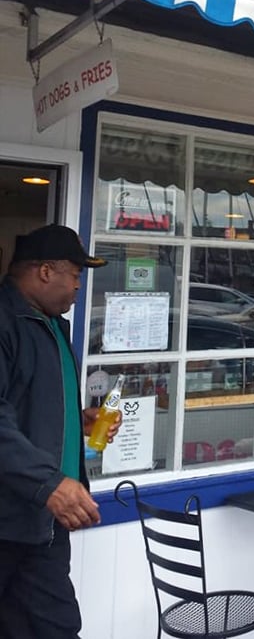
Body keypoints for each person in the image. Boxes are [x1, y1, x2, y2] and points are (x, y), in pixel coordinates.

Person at [0, 224, 121, 638]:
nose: (78, 287)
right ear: (45, 272)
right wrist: (49, 484)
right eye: (75, 275)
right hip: (12, 517)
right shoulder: (5, 322)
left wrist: (79, 421)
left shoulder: (52, 325)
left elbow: (28, 404)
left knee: (50, 626)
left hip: (43, 522)